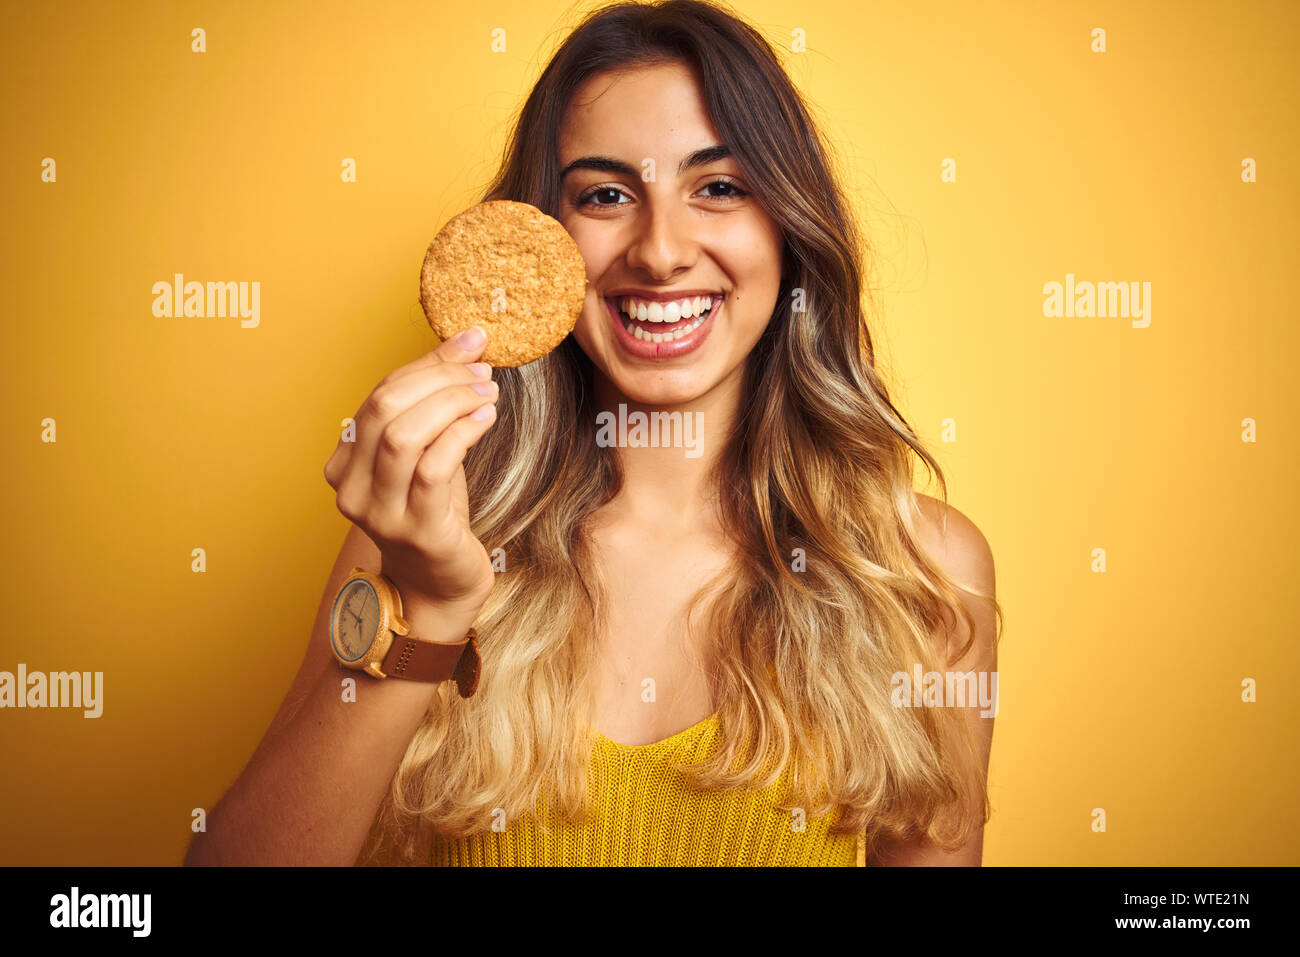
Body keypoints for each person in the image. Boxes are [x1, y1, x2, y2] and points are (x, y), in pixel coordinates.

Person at [184, 0, 1001, 868]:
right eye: (606, 195)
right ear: (543, 240)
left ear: (788, 226)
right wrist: (430, 607)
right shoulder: (426, 535)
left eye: (719, 187)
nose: (659, 252)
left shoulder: (918, 572)